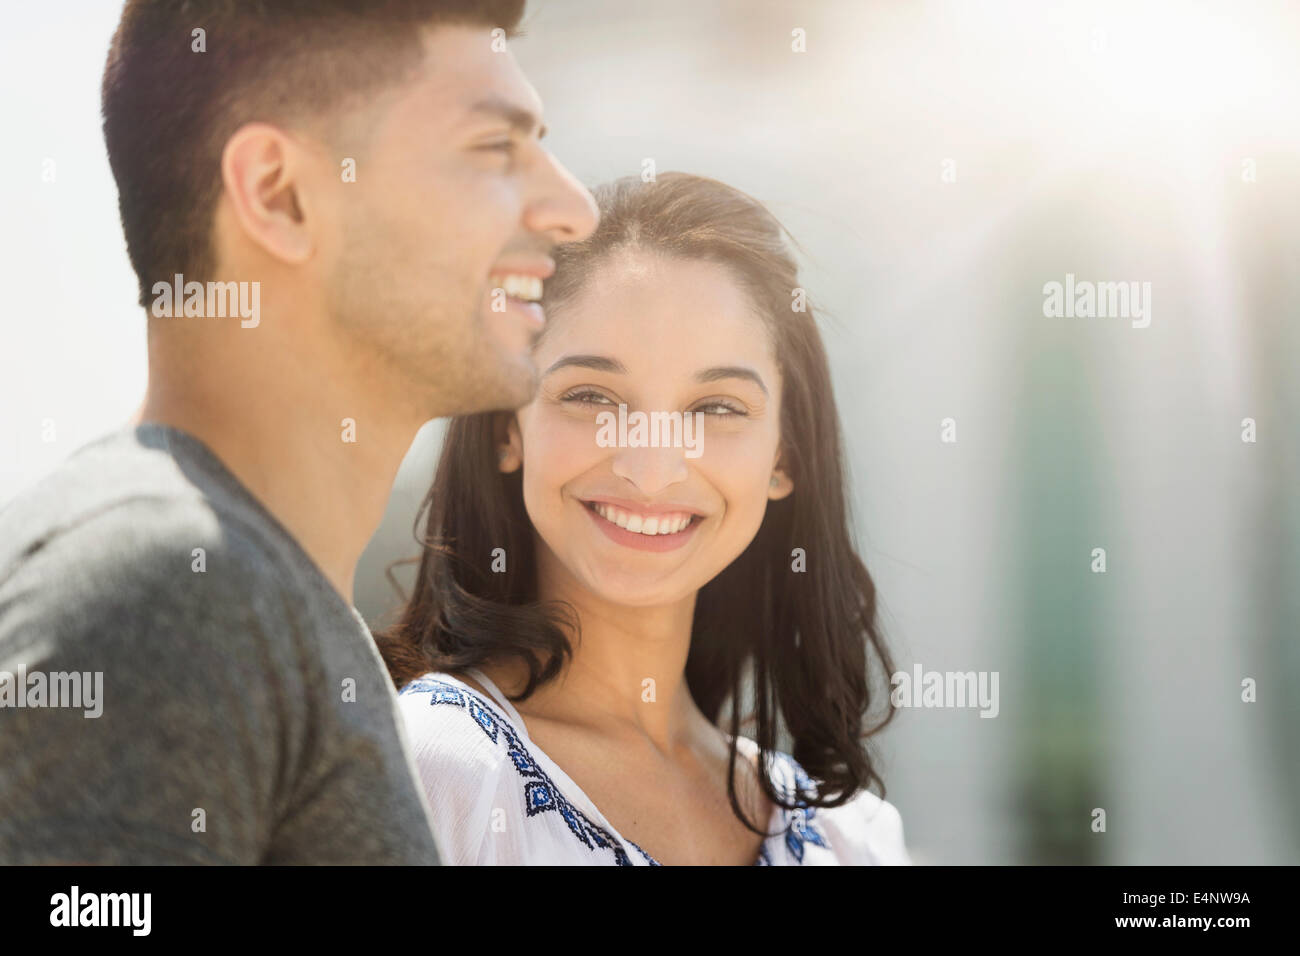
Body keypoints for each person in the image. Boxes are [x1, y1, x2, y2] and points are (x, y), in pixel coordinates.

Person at [0, 0, 597, 864]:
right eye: (494, 149)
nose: (572, 207)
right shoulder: (171, 592)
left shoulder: (273, 607)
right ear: (280, 195)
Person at [382, 173, 911, 865]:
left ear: (784, 454)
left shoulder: (852, 837)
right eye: (593, 395)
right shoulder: (433, 771)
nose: (653, 467)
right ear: (508, 427)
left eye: (716, 408)